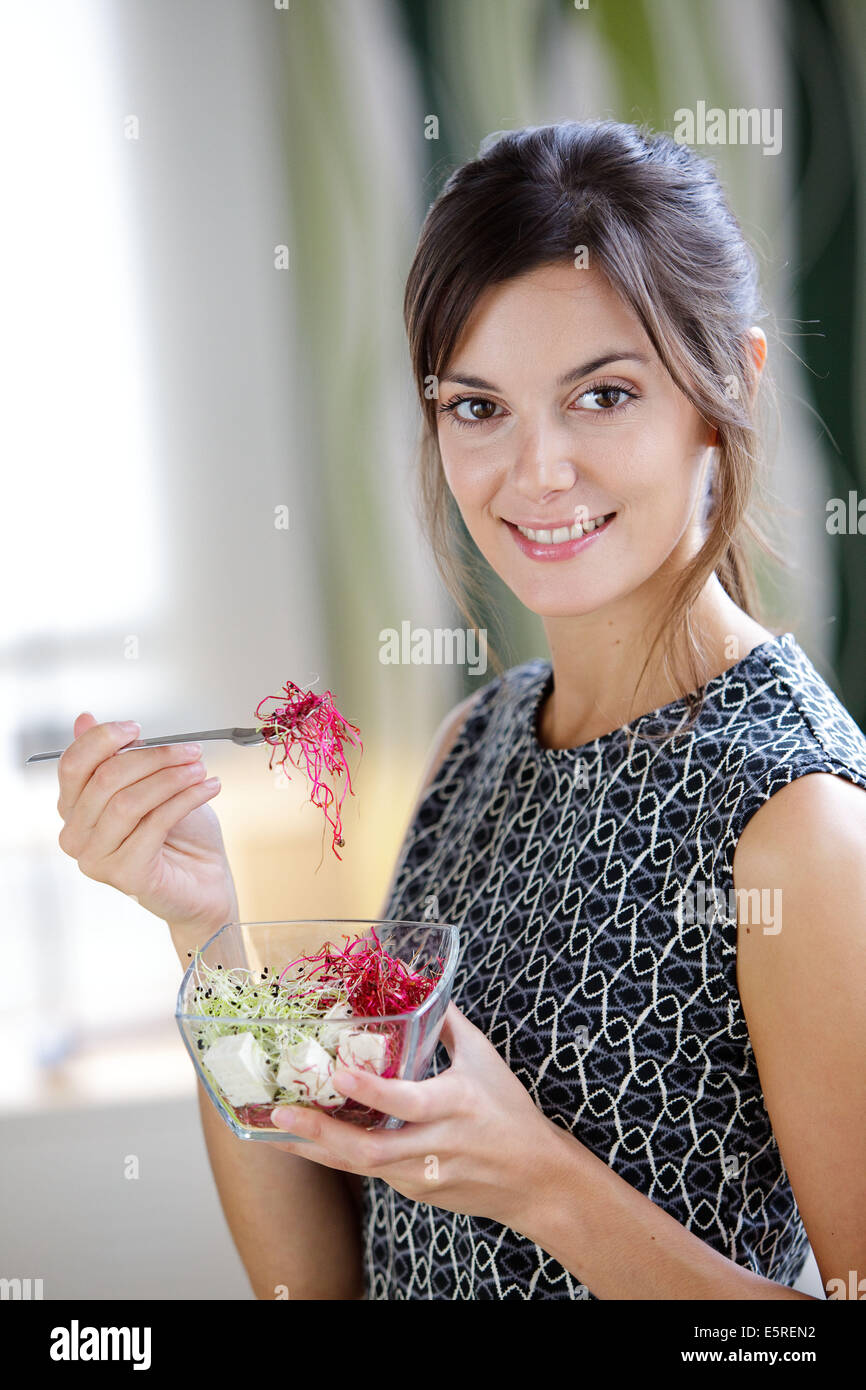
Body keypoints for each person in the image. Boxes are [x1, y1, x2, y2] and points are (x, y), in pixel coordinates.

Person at [56, 119, 866, 1301]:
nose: (533, 472)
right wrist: (209, 939)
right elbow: (330, 1278)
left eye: (601, 393)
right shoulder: (473, 745)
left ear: (725, 388)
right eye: (478, 407)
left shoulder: (799, 828)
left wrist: (539, 1181)